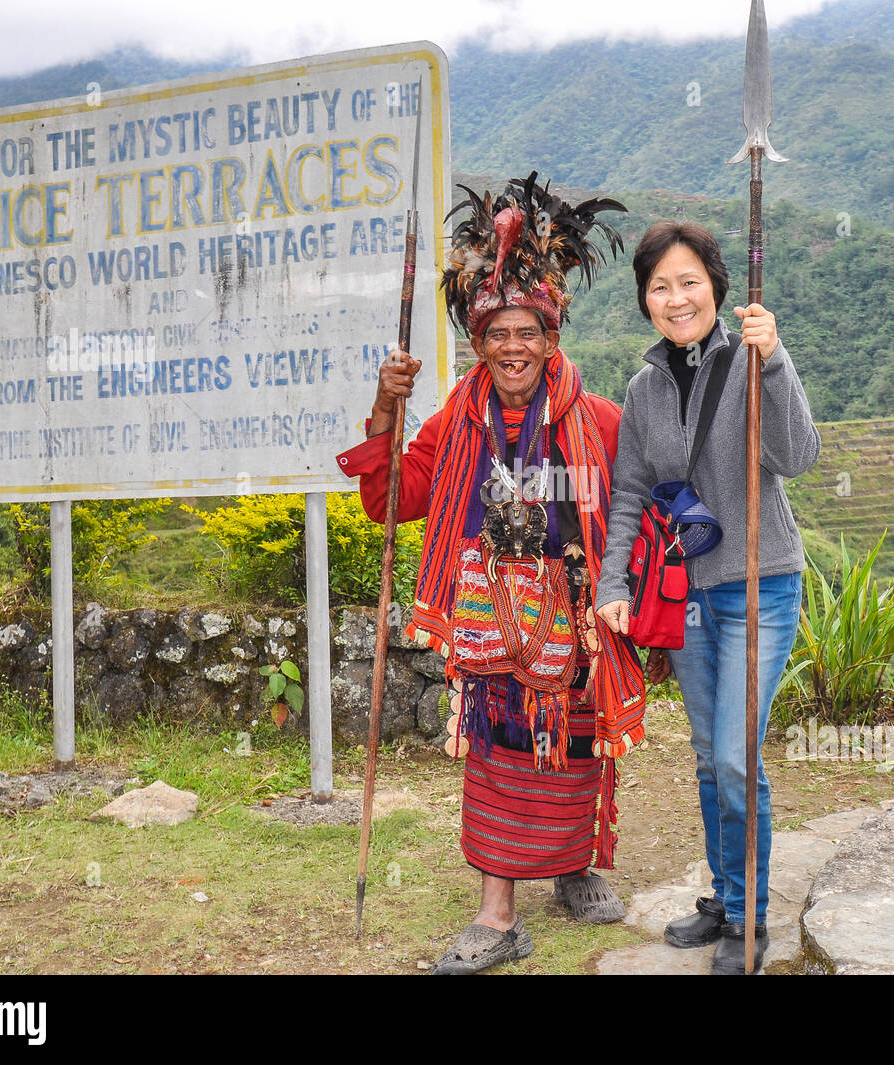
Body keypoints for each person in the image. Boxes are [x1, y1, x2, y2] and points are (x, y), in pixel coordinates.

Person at [336, 174, 646, 975]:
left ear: (551, 336)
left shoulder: (600, 421)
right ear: (478, 342)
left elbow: (643, 505)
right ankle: (497, 913)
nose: (514, 347)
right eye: (497, 332)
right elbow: (391, 498)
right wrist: (383, 407)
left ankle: (576, 868)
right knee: (503, 752)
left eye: (528, 331)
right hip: (485, 627)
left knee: (577, 749)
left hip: (571, 628)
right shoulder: (454, 423)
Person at [594, 221, 821, 975]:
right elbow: (628, 491)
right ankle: (726, 896)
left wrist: (776, 358)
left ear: (716, 287)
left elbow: (798, 455)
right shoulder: (644, 388)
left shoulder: (753, 358)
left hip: (761, 584)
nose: (675, 296)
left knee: (735, 756)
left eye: (688, 281)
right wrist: (613, 582)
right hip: (683, 594)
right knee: (705, 756)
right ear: (645, 301)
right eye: (659, 285)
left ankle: (750, 921)